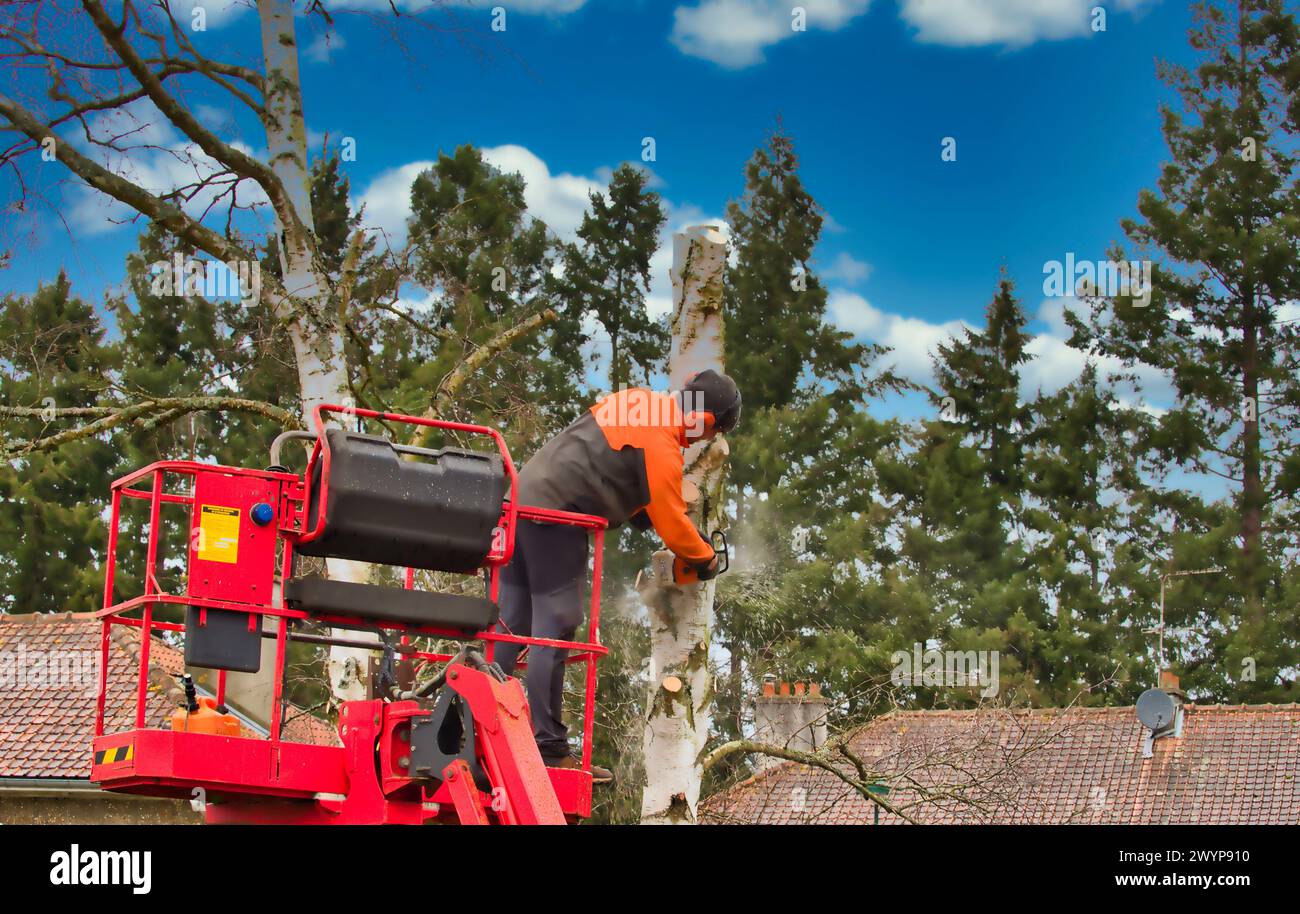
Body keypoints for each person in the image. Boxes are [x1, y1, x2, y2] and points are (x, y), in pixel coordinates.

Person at [493, 370, 742, 782]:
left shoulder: (638, 402)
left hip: (519, 505)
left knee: (509, 627)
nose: (702, 440)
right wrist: (704, 558)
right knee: (555, 625)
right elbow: (670, 521)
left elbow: (607, 462)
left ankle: (469, 724)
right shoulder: (663, 437)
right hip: (557, 516)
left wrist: (646, 510)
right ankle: (548, 746)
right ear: (706, 420)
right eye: (711, 433)